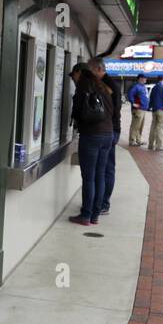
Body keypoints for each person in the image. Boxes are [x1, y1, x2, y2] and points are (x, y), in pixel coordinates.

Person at [70, 61, 115, 226]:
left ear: (79, 72)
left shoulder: (83, 87)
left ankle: (85, 215)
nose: (73, 79)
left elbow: (78, 112)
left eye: (73, 75)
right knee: (100, 175)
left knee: (88, 177)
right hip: (107, 135)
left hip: (91, 136)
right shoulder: (103, 87)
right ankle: (95, 215)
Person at [98, 68, 124, 213]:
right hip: (112, 130)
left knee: (107, 168)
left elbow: (110, 110)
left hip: (110, 130)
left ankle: (104, 203)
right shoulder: (109, 84)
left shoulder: (107, 85)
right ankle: (101, 202)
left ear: (99, 69)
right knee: (107, 167)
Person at [147, 75, 163, 150]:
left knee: (153, 127)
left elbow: (151, 98)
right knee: (160, 128)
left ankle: (150, 145)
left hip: (154, 109)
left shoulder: (154, 88)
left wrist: (150, 107)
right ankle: (159, 145)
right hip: (162, 109)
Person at [128, 74, 149, 147]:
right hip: (138, 109)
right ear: (140, 78)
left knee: (140, 126)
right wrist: (133, 103)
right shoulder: (136, 86)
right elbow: (130, 95)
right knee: (135, 125)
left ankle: (138, 139)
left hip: (143, 109)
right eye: (144, 78)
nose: (146, 79)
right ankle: (132, 140)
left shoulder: (143, 87)